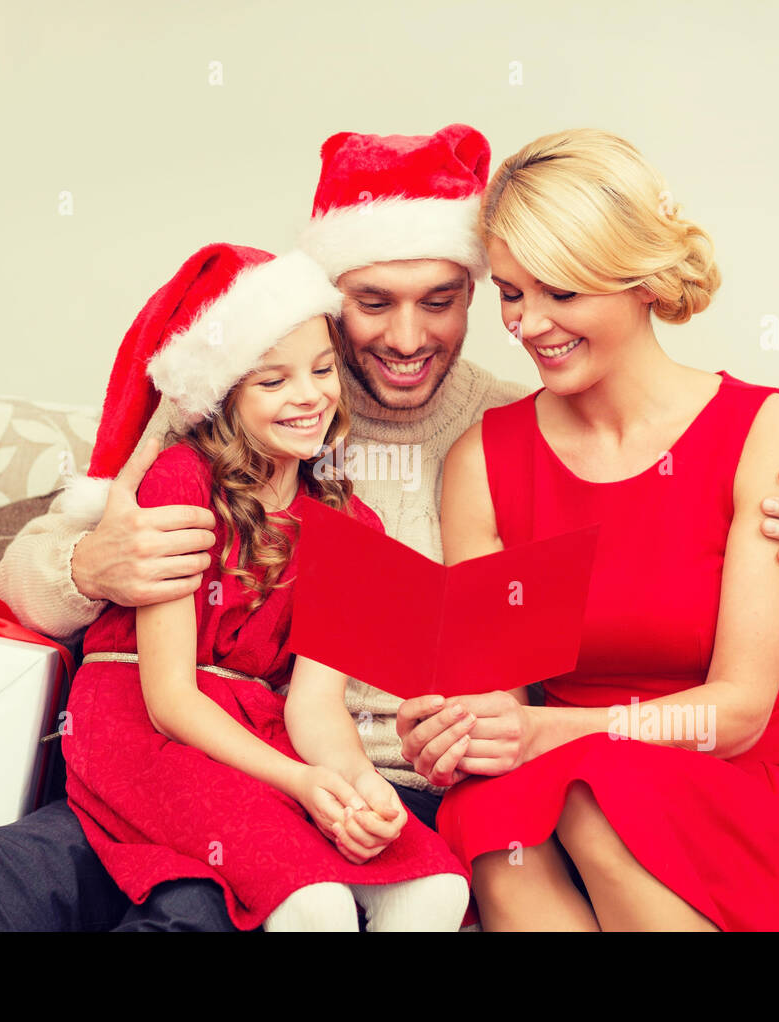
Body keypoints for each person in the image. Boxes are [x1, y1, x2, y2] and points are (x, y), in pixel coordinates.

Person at [0, 125, 779, 932]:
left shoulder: (494, 434)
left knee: (209, 908)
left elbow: (579, 623)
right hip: (187, 758)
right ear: (324, 302)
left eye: (444, 299)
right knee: (5, 874)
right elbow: (23, 585)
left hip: (379, 782)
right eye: (372, 303)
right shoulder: (224, 409)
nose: (407, 337)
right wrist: (89, 564)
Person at [411, 127, 779, 931]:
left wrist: (546, 732)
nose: (528, 324)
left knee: (593, 792)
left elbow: (735, 713)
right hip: (556, 778)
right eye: (513, 294)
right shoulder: (483, 459)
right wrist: (466, 730)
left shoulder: (764, 430)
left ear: (640, 282)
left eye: (562, 292)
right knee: (493, 819)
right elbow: (497, 692)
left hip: (729, 775)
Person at [62, 243, 469, 931]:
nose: (309, 396)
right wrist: (302, 784)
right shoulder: (180, 481)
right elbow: (169, 702)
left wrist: (357, 787)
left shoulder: (351, 522)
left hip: (262, 730)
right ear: (224, 395)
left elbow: (314, 707)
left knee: (433, 887)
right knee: (313, 900)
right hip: (146, 729)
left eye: (320, 371)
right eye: (272, 382)